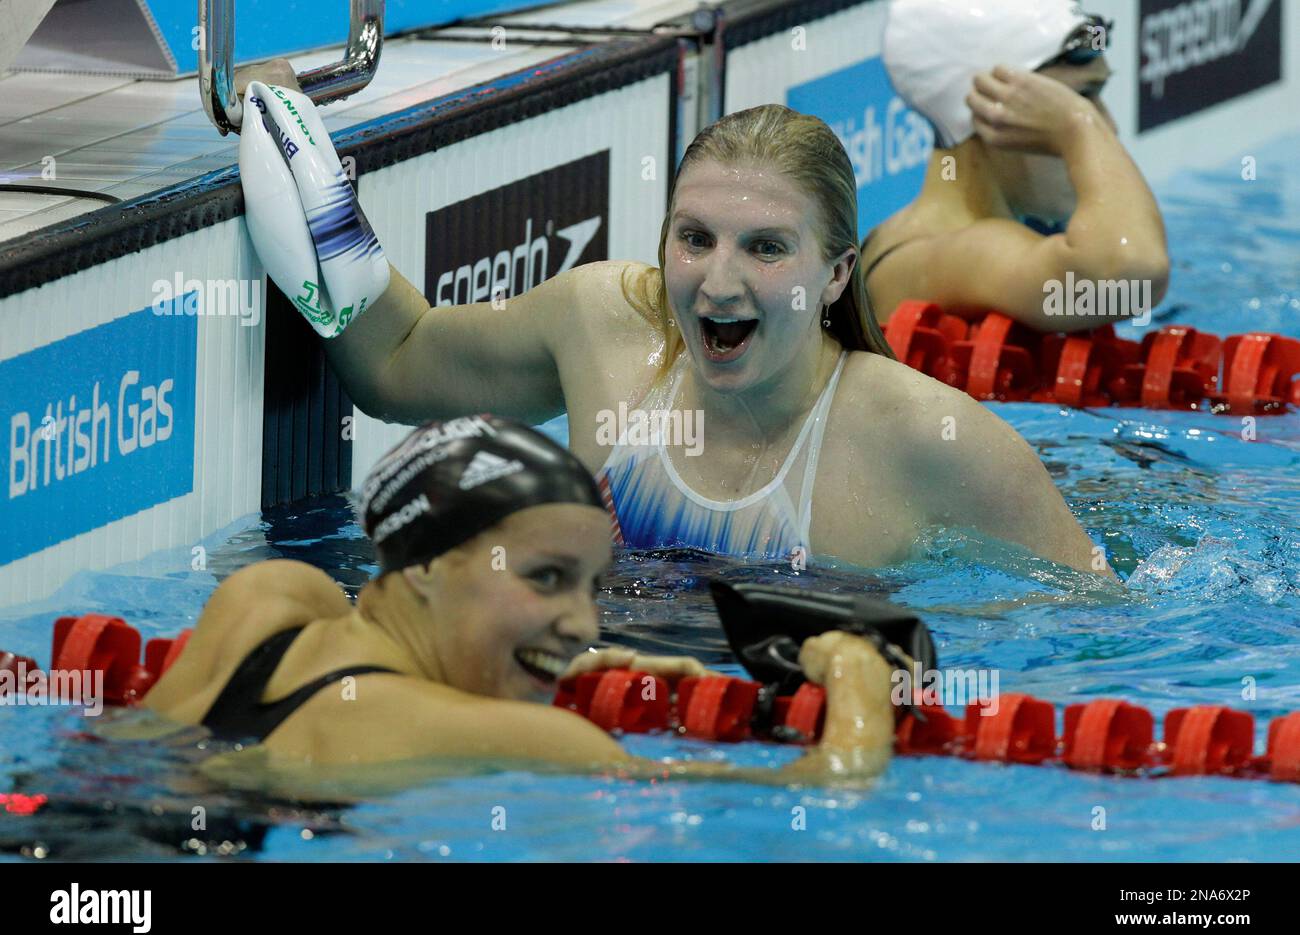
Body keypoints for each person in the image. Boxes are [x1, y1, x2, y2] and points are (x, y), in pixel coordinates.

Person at [236, 67, 1113, 578]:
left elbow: (1094, 627)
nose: (717, 282)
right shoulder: (605, 326)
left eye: (767, 249)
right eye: (694, 239)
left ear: (837, 272)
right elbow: (399, 365)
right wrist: (329, 235)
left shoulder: (925, 435)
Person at [143, 416, 898, 782]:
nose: (584, 621)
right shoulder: (542, 743)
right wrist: (860, 679)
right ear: (425, 565)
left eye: (590, 585)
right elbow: (832, 785)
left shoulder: (269, 596)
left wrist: (540, 655)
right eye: (545, 578)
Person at [861, 0, 1170, 331]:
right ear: (992, 109)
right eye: (1080, 98)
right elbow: (1132, 279)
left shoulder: (988, 237)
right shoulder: (940, 256)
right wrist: (1076, 126)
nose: (1107, 127)